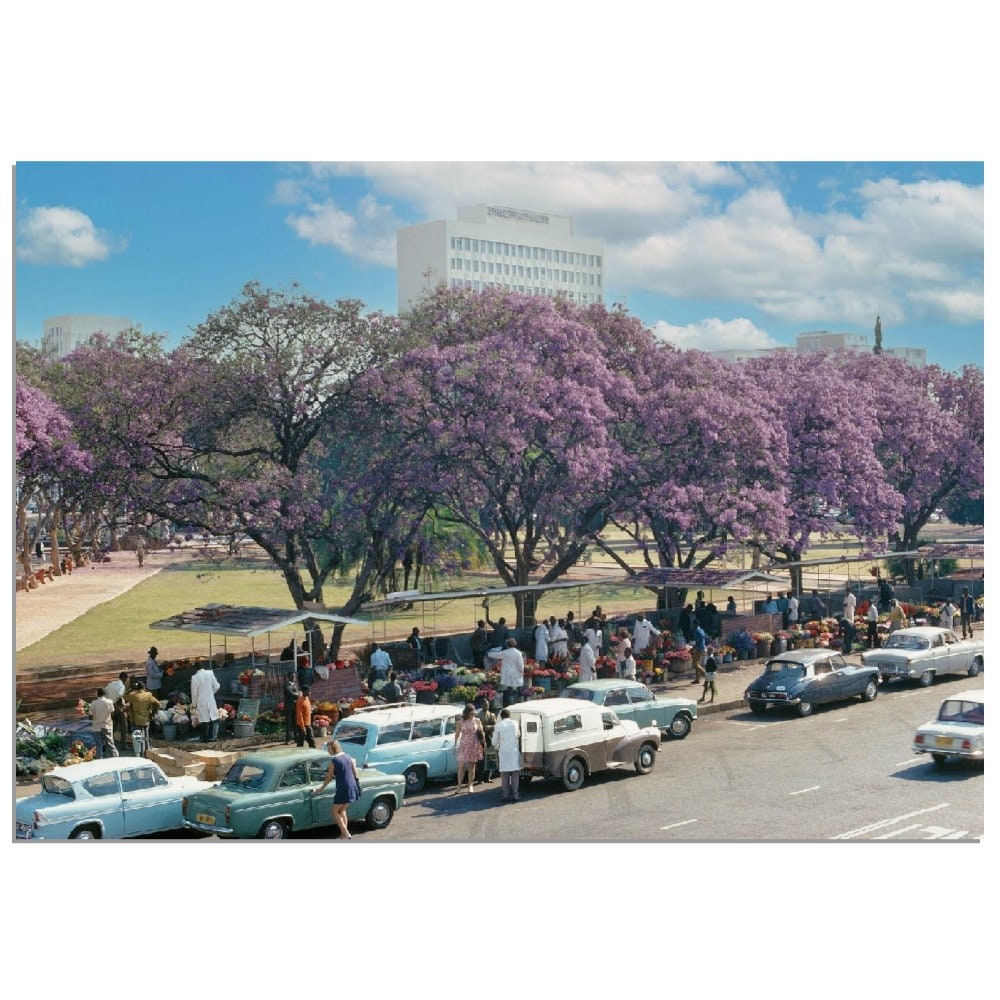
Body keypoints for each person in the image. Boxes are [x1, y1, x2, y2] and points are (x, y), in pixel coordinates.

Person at [311, 740, 361, 841]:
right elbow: (355, 772)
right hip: (352, 786)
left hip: (343, 787)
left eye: (329, 749)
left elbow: (329, 778)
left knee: (334, 811)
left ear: (334, 749)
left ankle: (346, 833)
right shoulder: (347, 756)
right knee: (342, 810)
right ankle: (343, 835)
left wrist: (321, 789)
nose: (328, 751)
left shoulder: (334, 761)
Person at [453, 703, 485, 794]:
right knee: (461, 766)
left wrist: (484, 743)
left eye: (474, 713)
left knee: (472, 766)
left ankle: (470, 785)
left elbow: (482, 733)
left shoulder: (477, 721)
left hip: (474, 745)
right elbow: (457, 734)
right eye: (471, 714)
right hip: (464, 746)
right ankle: (459, 786)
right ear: (466, 713)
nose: (473, 715)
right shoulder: (460, 722)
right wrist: (455, 745)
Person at [492, 708, 522, 802]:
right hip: (514, 751)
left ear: (501, 717)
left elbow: (494, 742)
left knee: (504, 775)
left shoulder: (498, 725)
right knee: (515, 774)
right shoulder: (515, 723)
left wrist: (497, 747)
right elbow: (518, 734)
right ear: (509, 716)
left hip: (504, 752)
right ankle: (516, 795)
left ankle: (505, 795)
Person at [124, 680, 161, 756]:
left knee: (138, 738)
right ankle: (147, 754)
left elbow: (124, 696)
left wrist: (131, 688)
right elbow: (158, 704)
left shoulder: (133, 695)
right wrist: (152, 713)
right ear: (144, 687)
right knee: (146, 737)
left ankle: (139, 755)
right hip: (146, 719)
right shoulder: (149, 695)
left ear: (137, 688)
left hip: (136, 720)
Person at [191, 661, 221, 742]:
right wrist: (211, 692)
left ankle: (205, 738)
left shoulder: (194, 677)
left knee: (204, 719)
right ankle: (211, 736)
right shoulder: (210, 673)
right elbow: (217, 686)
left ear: (195, 668)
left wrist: (194, 704)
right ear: (203, 666)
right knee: (211, 716)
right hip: (210, 697)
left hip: (201, 699)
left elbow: (194, 692)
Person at [89, 687, 118, 758]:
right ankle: (116, 759)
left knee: (99, 746)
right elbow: (112, 714)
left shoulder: (93, 703)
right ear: (105, 694)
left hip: (96, 727)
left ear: (97, 694)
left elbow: (90, 717)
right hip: (107, 725)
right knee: (111, 744)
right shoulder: (109, 702)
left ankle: (100, 761)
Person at [105, 670, 130, 748]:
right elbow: (120, 695)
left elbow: (105, 691)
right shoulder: (122, 686)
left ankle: (108, 743)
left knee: (114, 725)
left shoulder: (111, 684)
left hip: (110, 706)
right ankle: (123, 745)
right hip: (118, 706)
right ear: (124, 678)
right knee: (123, 725)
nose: (126, 681)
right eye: (126, 679)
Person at [497, 638, 525, 706]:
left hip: (508, 673)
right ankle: (522, 704)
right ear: (515, 644)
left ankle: (511, 706)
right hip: (517, 672)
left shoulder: (505, 652)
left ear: (507, 645)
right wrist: (522, 671)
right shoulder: (518, 653)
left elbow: (497, 656)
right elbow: (520, 664)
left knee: (510, 690)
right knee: (519, 688)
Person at [475, 697, 497, 783]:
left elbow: (496, 726)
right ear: (481, 705)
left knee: (491, 758)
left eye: (487, 706)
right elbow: (476, 727)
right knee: (480, 760)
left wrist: (488, 727)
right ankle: (480, 779)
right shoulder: (478, 715)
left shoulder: (492, 715)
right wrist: (482, 729)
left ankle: (488, 777)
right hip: (480, 739)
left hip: (490, 738)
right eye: (484, 706)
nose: (486, 707)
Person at [282, 671, 300, 744]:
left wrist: (298, 694)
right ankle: (287, 740)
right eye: (293, 676)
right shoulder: (286, 684)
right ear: (289, 677)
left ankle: (296, 738)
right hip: (289, 707)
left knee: (295, 723)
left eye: (295, 676)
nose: (294, 677)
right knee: (288, 724)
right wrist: (299, 695)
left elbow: (298, 692)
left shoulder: (296, 684)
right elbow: (291, 693)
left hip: (295, 707)